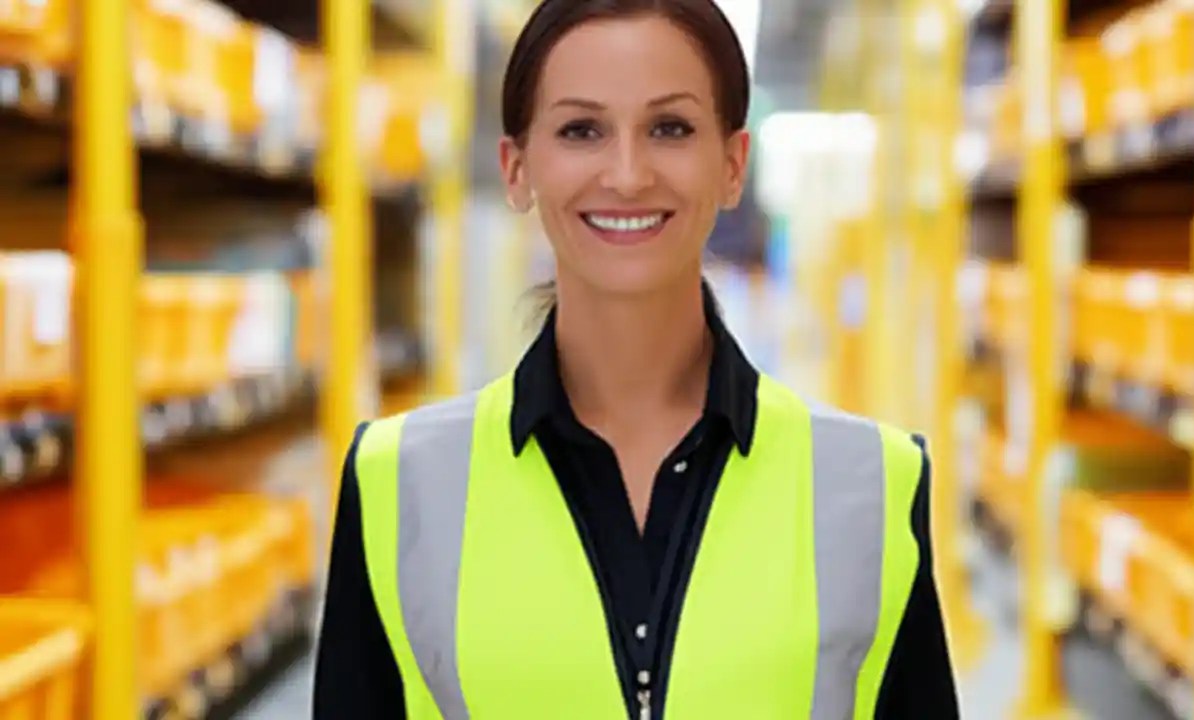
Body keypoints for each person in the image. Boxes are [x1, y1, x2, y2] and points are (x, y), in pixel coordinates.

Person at [313, 0, 960, 717]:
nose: (627, 175)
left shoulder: (869, 483)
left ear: (732, 165)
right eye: (581, 130)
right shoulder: (400, 482)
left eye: (670, 128)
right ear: (517, 169)